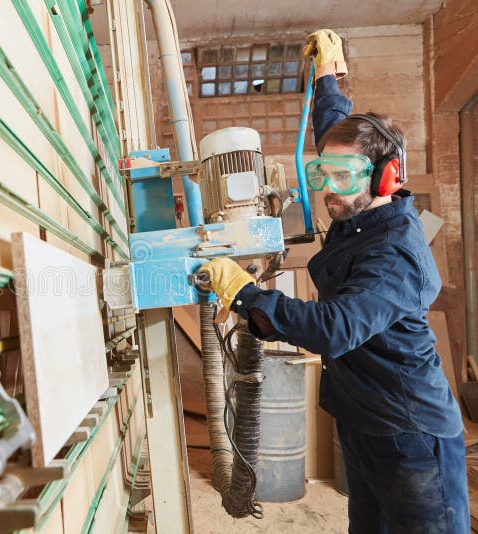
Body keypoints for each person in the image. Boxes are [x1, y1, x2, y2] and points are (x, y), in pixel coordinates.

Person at [198, 29, 469, 533]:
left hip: (409, 432)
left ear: (386, 176)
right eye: (322, 173)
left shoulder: (396, 254)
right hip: (362, 416)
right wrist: (327, 75)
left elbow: (333, 328)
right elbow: (331, 128)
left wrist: (245, 293)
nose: (328, 190)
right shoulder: (357, 209)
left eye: (342, 176)